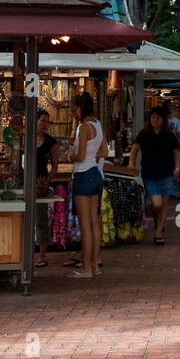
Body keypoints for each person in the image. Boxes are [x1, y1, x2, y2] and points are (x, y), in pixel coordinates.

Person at [129, 105, 180, 245]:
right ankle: (157, 220)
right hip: (150, 173)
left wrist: (177, 169)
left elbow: (176, 152)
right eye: (153, 117)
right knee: (156, 204)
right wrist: (131, 163)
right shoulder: (144, 133)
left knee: (164, 203)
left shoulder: (169, 135)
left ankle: (158, 233)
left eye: (158, 117)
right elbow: (135, 148)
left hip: (166, 172)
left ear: (163, 119)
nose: (155, 120)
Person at [69, 92, 106, 278]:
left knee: (85, 225)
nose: (72, 113)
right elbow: (104, 151)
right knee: (93, 223)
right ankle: (95, 266)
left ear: (81, 108)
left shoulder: (83, 128)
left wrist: (69, 156)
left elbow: (80, 156)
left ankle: (86, 268)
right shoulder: (98, 125)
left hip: (83, 175)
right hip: (95, 174)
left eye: (74, 109)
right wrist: (93, 157)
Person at [33, 109, 59, 269]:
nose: (45, 124)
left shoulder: (50, 141)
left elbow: (55, 166)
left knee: (41, 219)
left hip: (41, 184)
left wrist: (47, 181)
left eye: (47, 121)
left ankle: (42, 256)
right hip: (26, 182)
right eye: (42, 120)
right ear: (35, 121)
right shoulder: (25, 138)